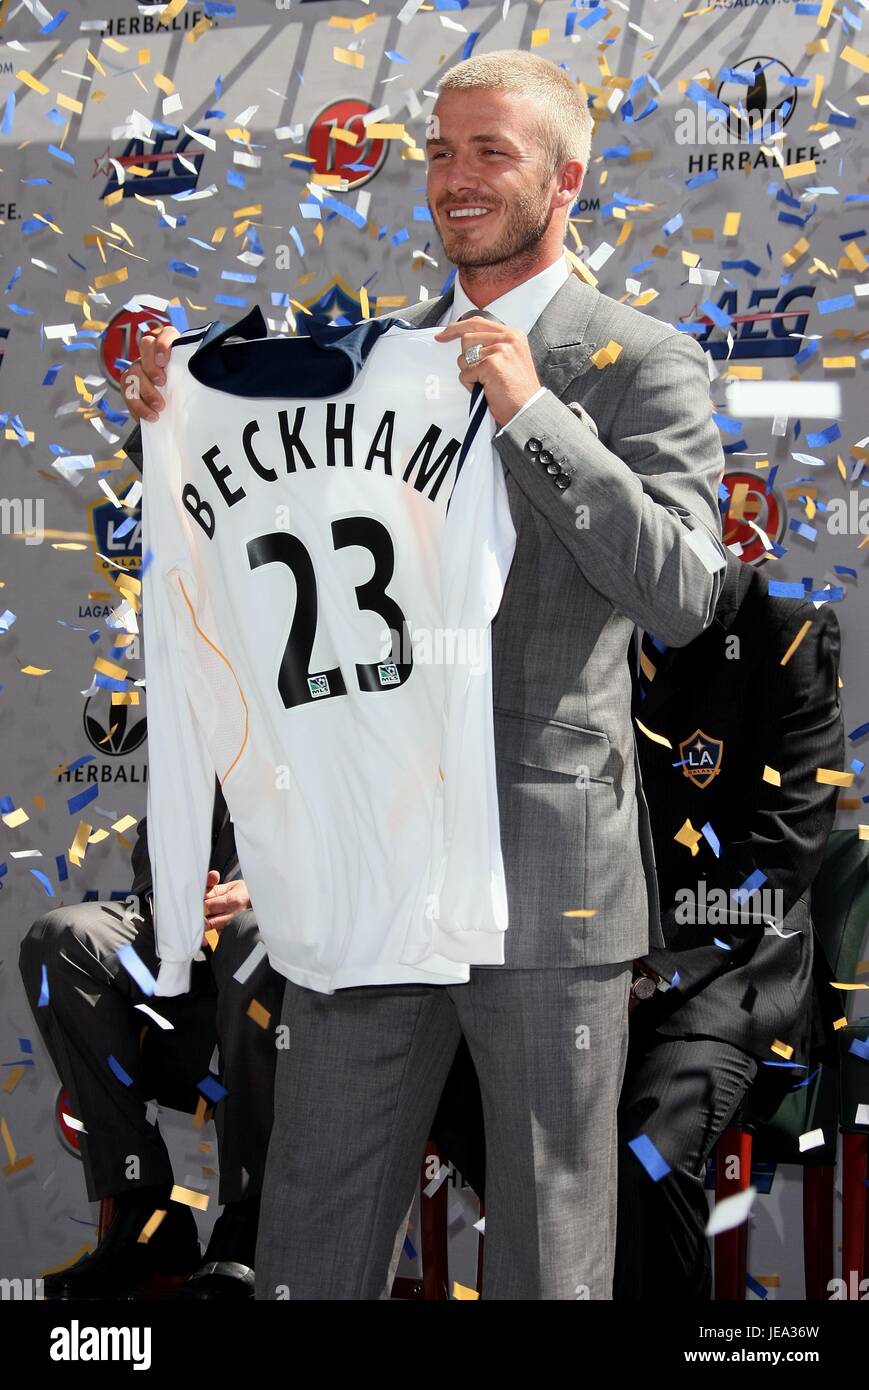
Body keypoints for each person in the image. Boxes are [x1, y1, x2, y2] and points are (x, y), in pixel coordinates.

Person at [121, 50, 727, 1299]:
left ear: (566, 180)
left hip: (545, 872)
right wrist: (169, 410)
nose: (454, 178)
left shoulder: (639, 361)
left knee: (551, 1251)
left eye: (488, 152)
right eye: (440, 151)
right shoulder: (375, 357)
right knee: (313, 1214)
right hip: (372, 859)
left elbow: (681, 589)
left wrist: (530, 414)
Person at [614, 548, 844, 1299]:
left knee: (644, 1150)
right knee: (467, 1099)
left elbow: (781, 854)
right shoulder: (578, 626)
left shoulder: (784, 628)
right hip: (584, 967)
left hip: (732, 978)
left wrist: (652, 966)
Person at [19, 779, 285, 1299]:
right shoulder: (207, 715)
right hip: (186, 988)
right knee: (63, 940)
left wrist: (266, 894)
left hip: (292, 1001)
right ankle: (147, 1209)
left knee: (251, 936)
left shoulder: (334, 710)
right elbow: (155, 857)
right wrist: (171, 901)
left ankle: (251, 1219)